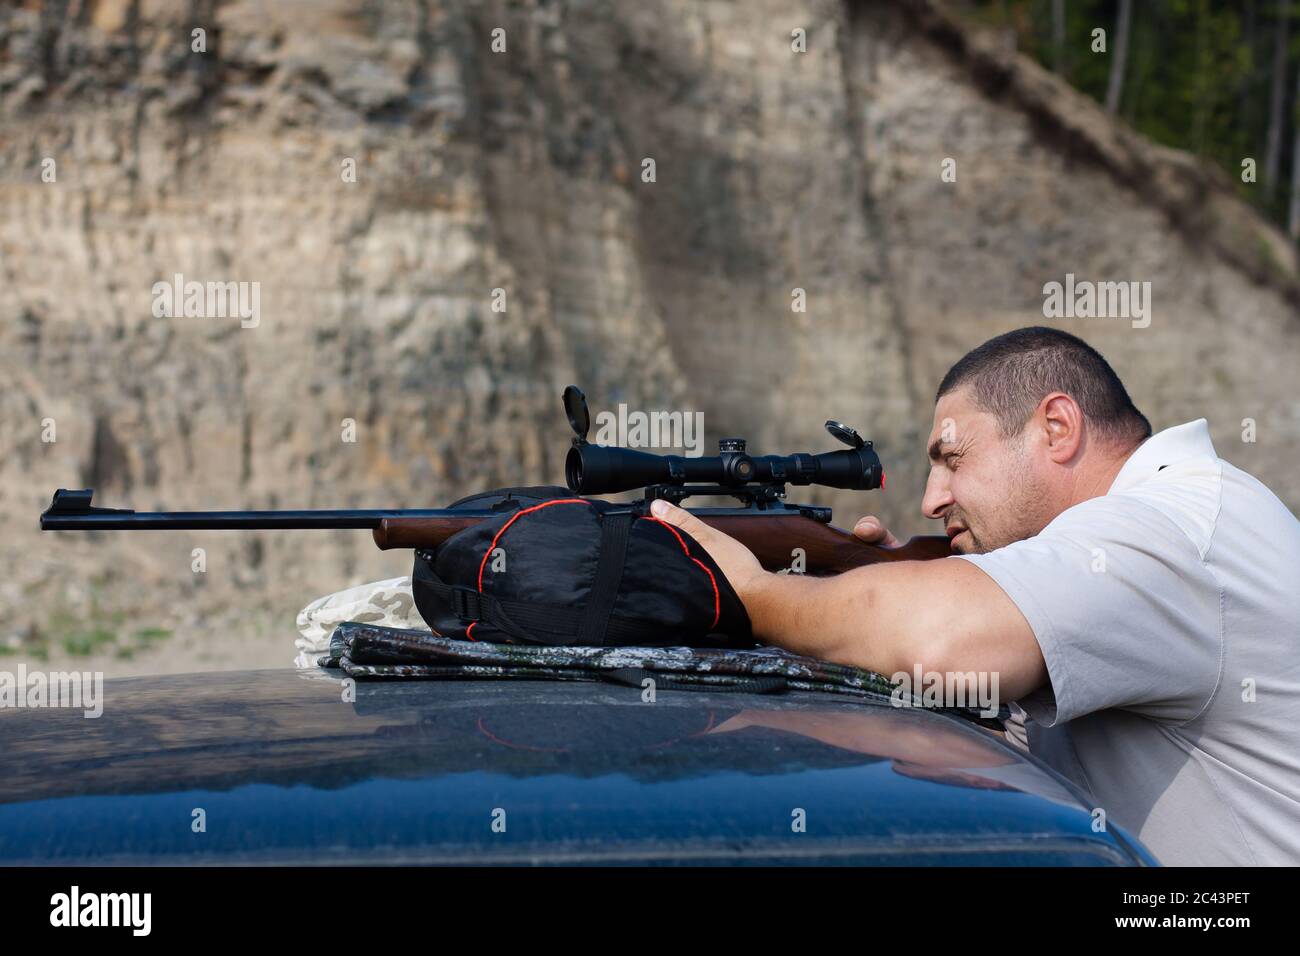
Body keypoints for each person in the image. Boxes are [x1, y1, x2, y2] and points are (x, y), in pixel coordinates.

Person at [649, 326, 1300, 866]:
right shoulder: (1184, 514)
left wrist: (751, 590)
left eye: (952, 458)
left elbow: (940, 644)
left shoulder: (1169, 527)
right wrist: (872, 591)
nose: (932, 499)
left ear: (1056, 427)